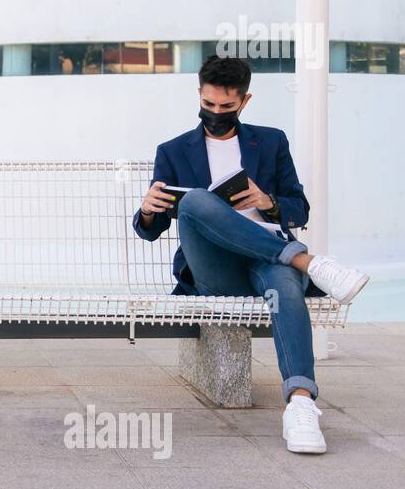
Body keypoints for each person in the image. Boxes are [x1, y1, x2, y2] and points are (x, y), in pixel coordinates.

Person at [133, 54, 369, 454]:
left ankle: (300, 404)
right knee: (194, 204)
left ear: (245, 101)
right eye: (209, 105)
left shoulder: (270, 141)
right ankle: (308, 262)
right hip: (215, 270)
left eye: (226, 106)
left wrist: (267, 200)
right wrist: (147, 209)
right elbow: (150, 231)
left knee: (284, 288)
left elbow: (300, 207)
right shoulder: (172, 151)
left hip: (267, 262)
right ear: (199, 96)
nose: (216, 113)